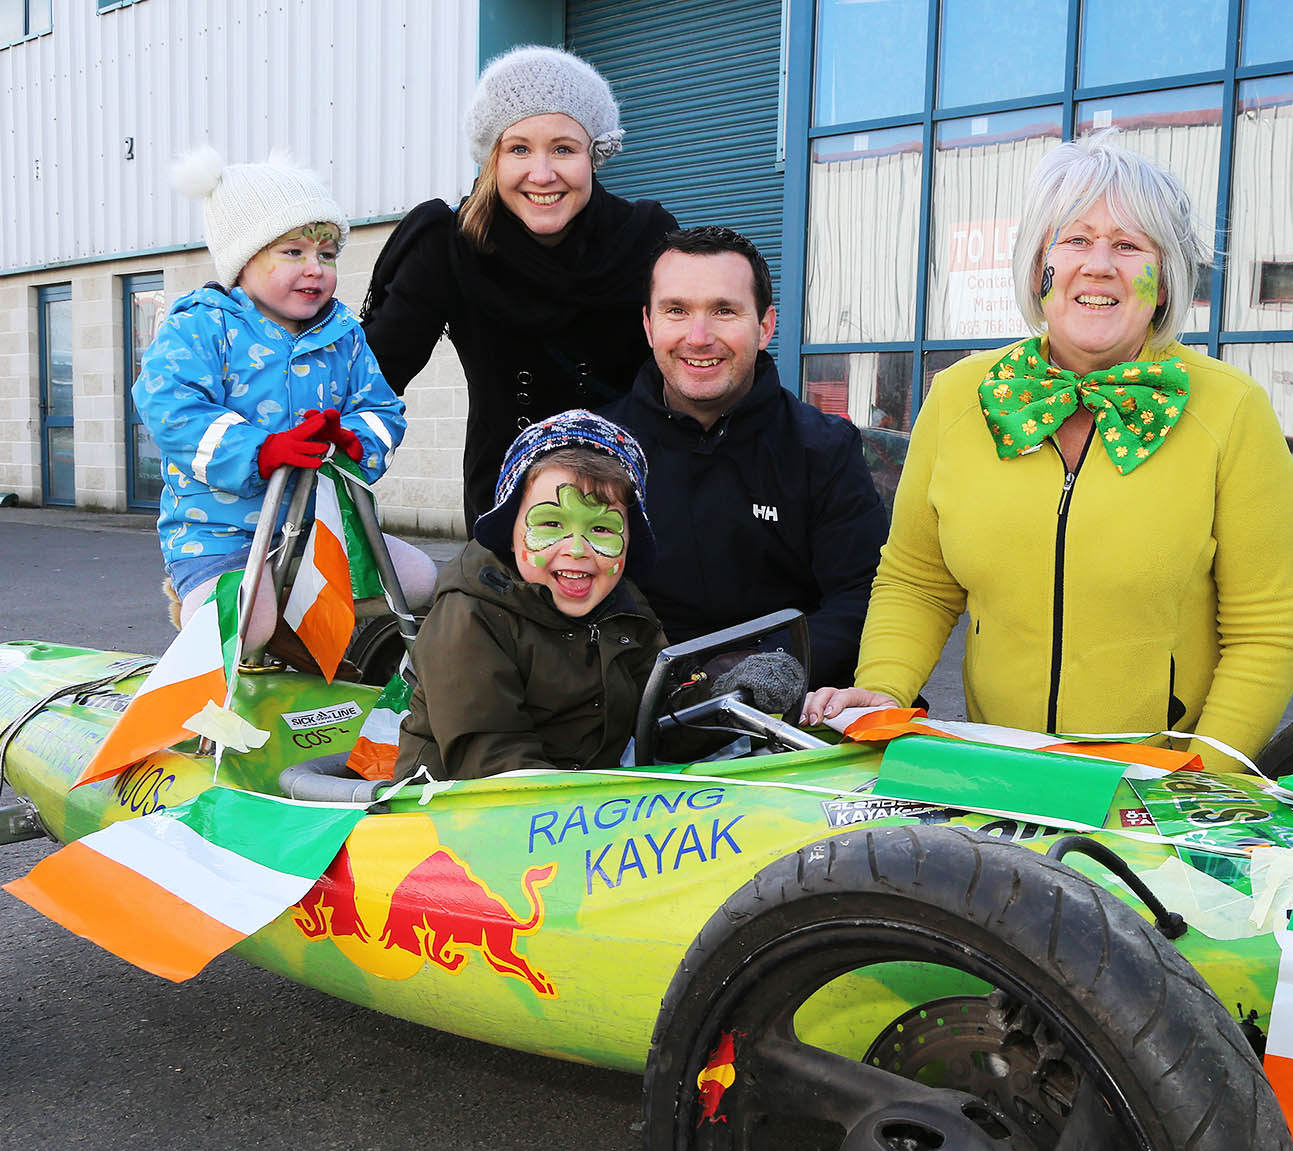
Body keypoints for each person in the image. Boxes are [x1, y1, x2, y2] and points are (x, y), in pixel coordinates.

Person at [803, 131, 1293, 772]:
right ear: (1039, 263)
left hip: (1155, 786)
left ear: (1165, 280)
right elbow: (919, 580)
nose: (1098, 265)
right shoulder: (961, 395)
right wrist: (883, 685)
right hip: (999, 771)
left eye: (1129, 245)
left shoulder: (1231, 409)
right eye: (1074, 239)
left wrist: (1207, 773)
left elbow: (1268, 626)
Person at [361, 46, 678, 532]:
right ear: (493, 157)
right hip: (508, 503)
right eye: (520, 148)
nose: (542, 174)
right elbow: (374, 374)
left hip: (635, 500)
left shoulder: (645, 238)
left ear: (593, 154)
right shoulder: (452, 243)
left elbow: (699, 358)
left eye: (564, 149)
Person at [134, 147, 434, 636]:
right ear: (243, 260)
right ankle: (210, 620)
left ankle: (303, 633)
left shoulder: (344, 334)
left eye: (327, 254)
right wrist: (261, 450)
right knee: (246, 626)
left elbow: (381, 406)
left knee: (420, 580)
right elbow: (170, 406)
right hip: (219, 530)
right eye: (293, 252)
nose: (315, 268)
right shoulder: (203, 326)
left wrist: (356, 440)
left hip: (321, 528)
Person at [603, 226, 888, 689]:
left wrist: (765, 667)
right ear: (649, 325)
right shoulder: (595, 451)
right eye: (676, 310)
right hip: (633, 710)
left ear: (765, 327)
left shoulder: (824, 448)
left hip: (795, 711)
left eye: (724, 311)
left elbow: (864, 598)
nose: (699, 337)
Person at [395, 411, 666, 781]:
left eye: (602, 528)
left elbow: (664, 713)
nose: (576, 550)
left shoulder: (625, 609)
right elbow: (489, 757)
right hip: (452, 813)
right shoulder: (469, 615)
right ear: (509, 531)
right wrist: (582, 810)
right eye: (551, 523)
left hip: (578, 813)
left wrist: (726, 695)